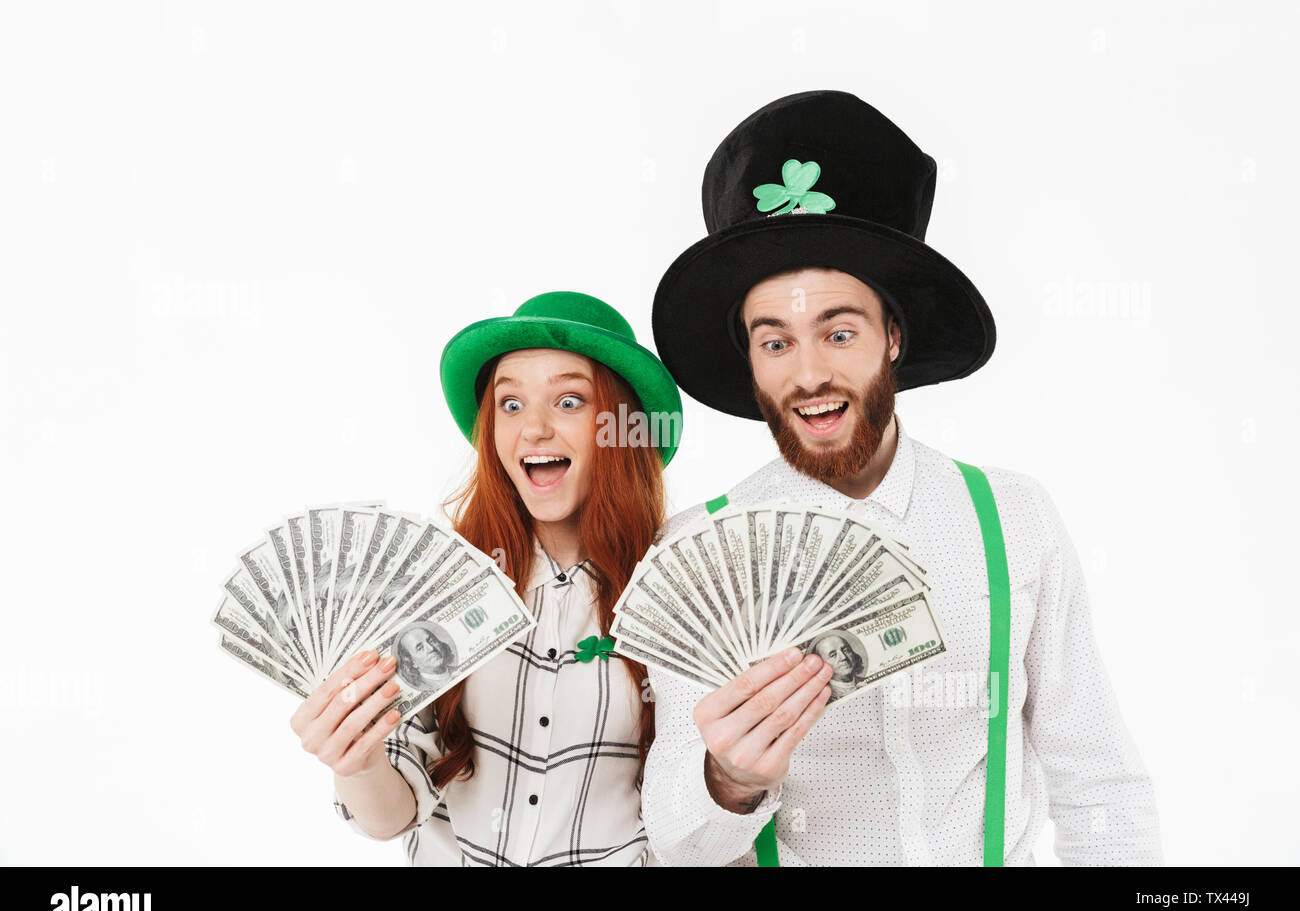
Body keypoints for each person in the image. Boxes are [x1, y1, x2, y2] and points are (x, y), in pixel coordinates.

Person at [639, 90, 1163, 866]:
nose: (809, 374)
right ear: (749, 361)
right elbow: (679, 847)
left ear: (892, 336)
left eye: (838, 331)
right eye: (774, 342)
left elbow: (1099, 784)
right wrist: (728, 778)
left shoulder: (1014, 518)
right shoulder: (701, 552)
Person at [289, 291, 683, 865]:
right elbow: (393, 813)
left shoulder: (677, 591)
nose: (534, 430)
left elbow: (691, 813)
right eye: (511, 405)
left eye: (569, 401)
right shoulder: (434, 584)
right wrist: (358, 761)